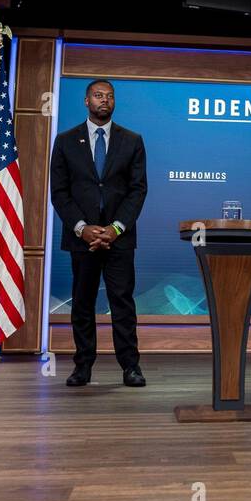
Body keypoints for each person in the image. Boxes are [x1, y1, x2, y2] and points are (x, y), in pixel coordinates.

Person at [49, 79, 148, 389]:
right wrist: (82, 228)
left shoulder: (132, 140)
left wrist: (116, 228)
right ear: (86, 101)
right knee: (82, 302)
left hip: (119, 238)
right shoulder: (66, 141)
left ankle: (130, 367)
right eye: (98, 95)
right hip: (83, 240)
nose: (104, 100)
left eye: (109, 96)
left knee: (122, 302)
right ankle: (82, 367)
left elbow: (137, 190)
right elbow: (60, 193)